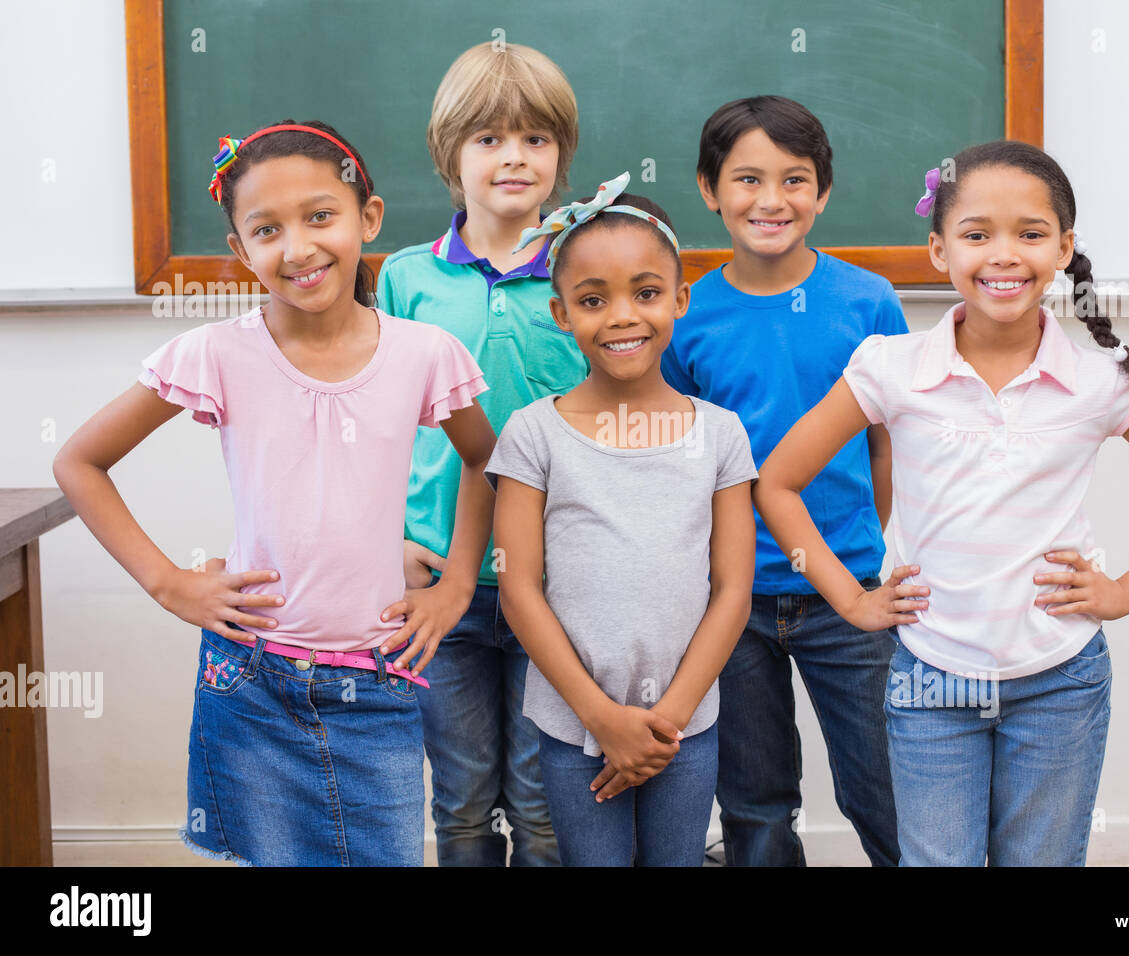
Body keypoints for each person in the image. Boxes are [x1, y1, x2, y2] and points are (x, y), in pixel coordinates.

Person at [755, 139, 1129, 866]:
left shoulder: (1101, 381)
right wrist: (852, 602)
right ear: (939, 250)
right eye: (977, 234)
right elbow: (778, 482)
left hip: (1059, 680)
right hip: (929, 678)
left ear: (1064, 248)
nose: (1004, 255)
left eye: (1031, 233)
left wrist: (1126, 591)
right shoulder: (892, 368)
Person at [52, 120, 497, 866]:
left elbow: (487, 462)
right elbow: (79, 462)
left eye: (320, 216)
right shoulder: (213, 353)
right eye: (267, 229)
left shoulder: (426, 354)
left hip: (377, 678)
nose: (297, 248)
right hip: (251, 677)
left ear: (369, 218)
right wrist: (167, 583)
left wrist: (456, 583)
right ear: (240, 250)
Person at [660, 95, 905, 866]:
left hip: (848, 594)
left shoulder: (869, 301)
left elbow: (886, 447)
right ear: (709, 188)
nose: (772, 201)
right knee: (755, 802)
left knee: (886, 783)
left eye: (795, 180)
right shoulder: (686, 314)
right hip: (732, 600)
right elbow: (679, 457)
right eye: (747, 180)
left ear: (823, 192)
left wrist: (856, 558)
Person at [487, 174, 758, 866]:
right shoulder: (532, 434)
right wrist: (603, 719)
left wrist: (663, 724)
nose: (621, 317)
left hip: (685, 724)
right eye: (592, 300)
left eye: (645, 293)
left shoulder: (721, 434)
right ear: (560, 313)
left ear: (680, 299)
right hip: (575, 722)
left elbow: (732, 589)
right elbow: (519, 588)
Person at [376, 41, 586, 866]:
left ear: (562, 155)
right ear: (448, 154)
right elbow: (382, 427)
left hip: (560, 573)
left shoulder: (585, 272)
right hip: (438, 582)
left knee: (543, 805)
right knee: (461, 803)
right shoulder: (404, 279)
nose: (515, 157)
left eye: (537, 139)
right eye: (489, 139)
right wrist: (389, 540)